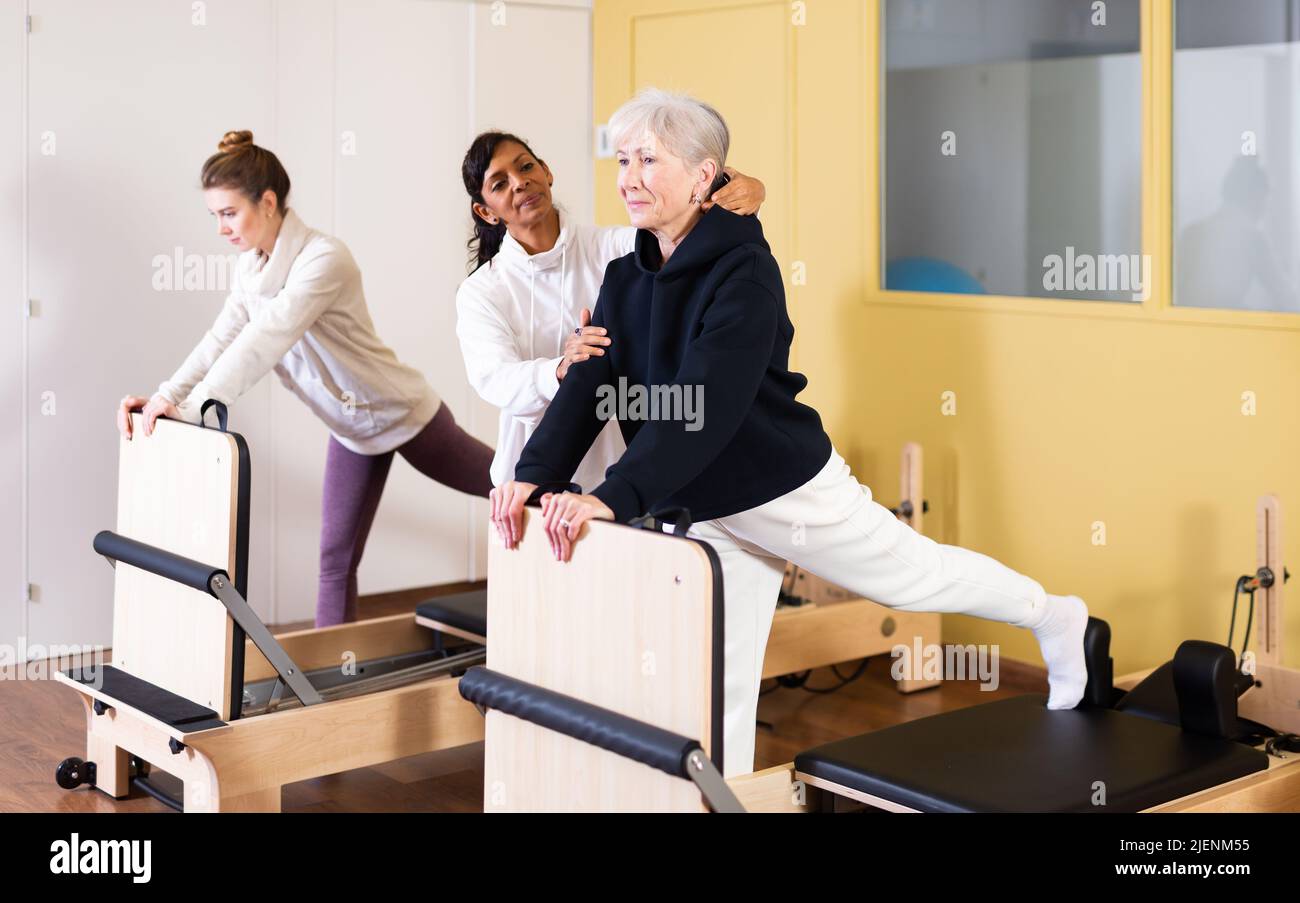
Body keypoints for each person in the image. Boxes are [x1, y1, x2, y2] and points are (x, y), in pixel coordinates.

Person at [490, 90, 1090, 778]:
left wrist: (614, 494)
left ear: (703, 174)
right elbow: (594, 378)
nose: (628, 176)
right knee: (716, 681)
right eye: (623, 158)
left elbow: (707, 405)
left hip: (781, 488)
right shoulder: (627, 274)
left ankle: (1052, 616)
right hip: (698, 500)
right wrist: (533, 474)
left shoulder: (744, 273)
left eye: (649, 159)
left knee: (912, 580)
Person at [115, 130, 494, 627]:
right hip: (351, 428)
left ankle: (589, 513)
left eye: (229, 213)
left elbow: (267, 337)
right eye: (215, 216)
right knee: (335, 562)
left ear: (267, 202)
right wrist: (166, 397)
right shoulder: (252, 270)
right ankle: (331, 689)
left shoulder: (323, 259)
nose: (222, 229)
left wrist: (194, 409)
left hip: (403, 412)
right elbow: (220, 338)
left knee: (509, 484)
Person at [455, 130, 765, 491]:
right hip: (533, 477)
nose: (520, 183)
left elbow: (683, 232)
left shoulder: (616, 249)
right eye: (499, 184)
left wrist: (751, 191)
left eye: (526, 167)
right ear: (485, 212)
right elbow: (494, 377)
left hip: (621, 471)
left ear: (546, 171)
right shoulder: (481, 291)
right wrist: (558, 369)